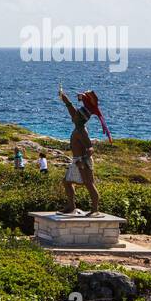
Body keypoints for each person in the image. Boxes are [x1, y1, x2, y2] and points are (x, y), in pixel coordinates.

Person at [59, 87, 110, 215]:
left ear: (80, 119)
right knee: (67, 182)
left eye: (76, 116)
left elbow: (90, 149)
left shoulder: (82, 131)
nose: (73, 117)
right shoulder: (78, 125)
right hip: (77, 161)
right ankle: (71, 206)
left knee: (89, 184)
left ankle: (95, 209)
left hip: (83, 161)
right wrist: (66, 100)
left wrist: (82, 161)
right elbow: (72, 112)